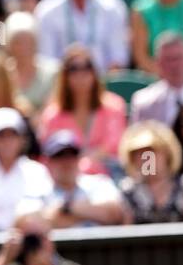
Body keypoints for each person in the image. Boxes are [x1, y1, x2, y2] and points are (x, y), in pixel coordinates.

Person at [36, 44, 128, 176]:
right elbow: (49, 153)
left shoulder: (114, 106)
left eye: (87, 68)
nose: (81, 76)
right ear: (64, 77)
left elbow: (115, 144)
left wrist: (85, 163)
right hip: (67, 180)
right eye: (73, 70)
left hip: (109, 177)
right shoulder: (52, 115)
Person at [117, 121, 183, 224]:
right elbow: (127, 230)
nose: (147, 158)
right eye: (139, 153)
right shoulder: (129, 189)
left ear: (167, 154)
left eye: (152, 151)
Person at [38, 130, 128, 228]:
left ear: (79, 158)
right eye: (59, 156)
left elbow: (114, 214)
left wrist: (66, 209)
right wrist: (91, 213)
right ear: (48, 162)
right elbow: (38, 224)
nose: (66, 162)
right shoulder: (39, 190)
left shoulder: (99, 183)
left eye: (72, 155)